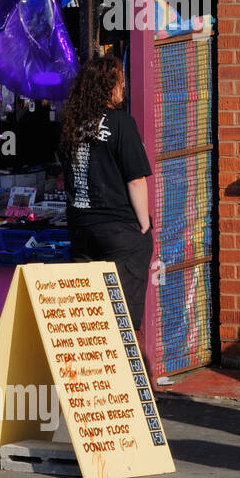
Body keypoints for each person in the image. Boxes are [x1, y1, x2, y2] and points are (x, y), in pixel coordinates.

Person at [58, 54, 163, 382]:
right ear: (109, 85)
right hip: (119, 233)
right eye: (120, 80)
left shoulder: (71, 124)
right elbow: (136, 180)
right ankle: (123, 383)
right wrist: (144, 223)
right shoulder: (120, 123)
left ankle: (90, 381)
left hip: (81, 228)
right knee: (122, 315)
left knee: (90, 312)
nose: (125, 86)